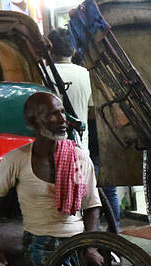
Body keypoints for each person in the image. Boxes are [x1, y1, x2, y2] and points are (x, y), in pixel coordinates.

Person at [0, 92, 102, 266]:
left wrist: (91, 247)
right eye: (52, 115)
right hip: (40, 244)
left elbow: (92, 205)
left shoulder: (80, 157)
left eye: (63, 112)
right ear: (33, 122)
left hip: (78, 240)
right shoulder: (16, 159)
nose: (63, 120)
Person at [49, 27, 117, 229]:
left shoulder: (43, 75)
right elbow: (92, 111)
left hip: (51, 150)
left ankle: (69, 237)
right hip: (81, 148)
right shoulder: (86, 75)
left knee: (59, 199)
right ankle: (105, 238)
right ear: (72, 49)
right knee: (89, 198)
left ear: (50, 49)